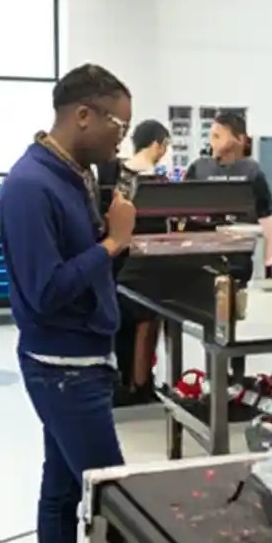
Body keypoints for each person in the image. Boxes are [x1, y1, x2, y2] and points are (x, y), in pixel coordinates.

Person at [0, 63, 134, 543]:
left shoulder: (76, 173)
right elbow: (46, 290)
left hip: (85, 358)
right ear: (83, 115)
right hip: (63, 368)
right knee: (120, 504)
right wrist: (113, 243)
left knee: (61, 492)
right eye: (117, 126)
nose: (120, 138)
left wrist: (108, 240)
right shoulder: (29, 186)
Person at [97, 120, 171, 407]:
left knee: (122, 325)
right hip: (146, 263)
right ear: (157, 144)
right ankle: (139, 385)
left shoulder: (116, 175)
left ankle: (124, 382)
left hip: (115, 259)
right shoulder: (155, 181)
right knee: (145, 322)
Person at [185, 112, 272, 275]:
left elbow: (266, 215)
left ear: (240, 139)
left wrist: (271, 261)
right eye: (212, 136)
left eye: (218, 136)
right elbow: (182, 209)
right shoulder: (199, 168)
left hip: (240, 254)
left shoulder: (252, 170)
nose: (213, 141)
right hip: (203, 254)